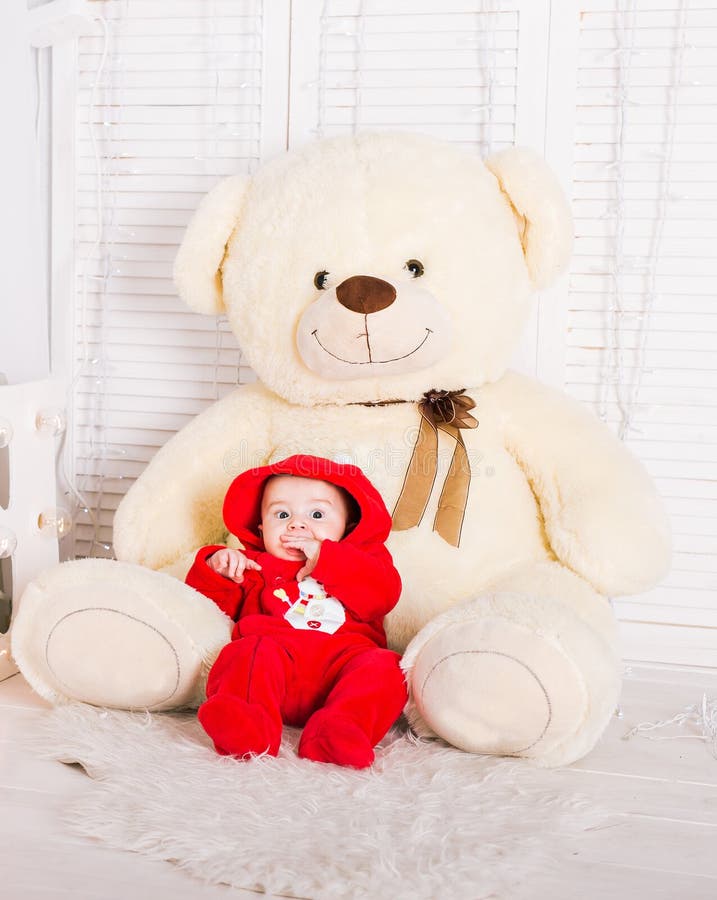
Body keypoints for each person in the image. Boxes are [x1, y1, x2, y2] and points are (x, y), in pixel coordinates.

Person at [186, 454, 408, 769]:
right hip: (274, 673)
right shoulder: (254, 565)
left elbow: (383, 595)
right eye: (281, 514)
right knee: (247, 651)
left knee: (388, 667)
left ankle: (339, 730)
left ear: (346, 527)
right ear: (261, 527)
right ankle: (248, 728)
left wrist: (328, 558)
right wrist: (217, 569)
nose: (297, 524)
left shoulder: (361, 564)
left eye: (317, 514)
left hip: (342, 671)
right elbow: (204, 608)